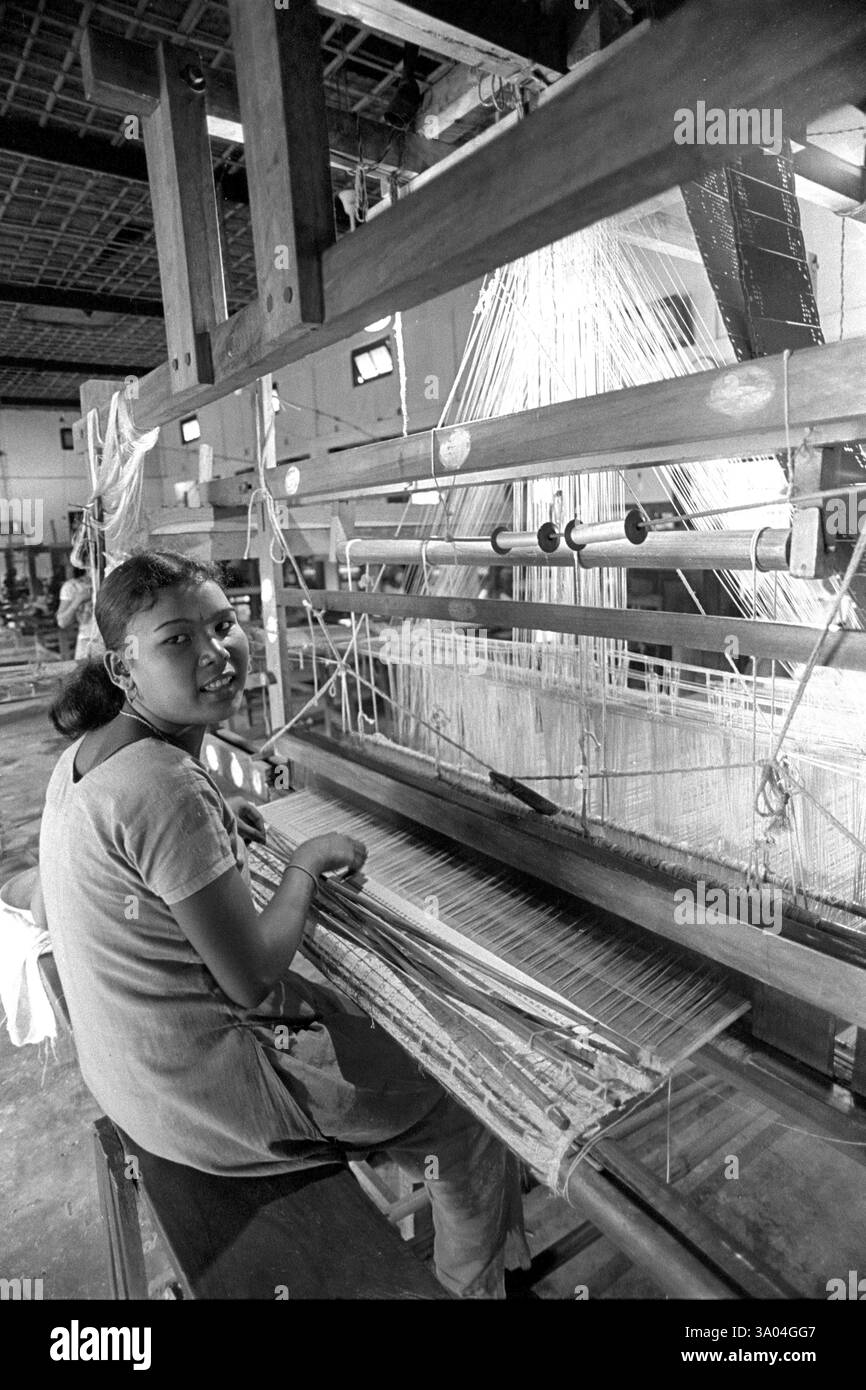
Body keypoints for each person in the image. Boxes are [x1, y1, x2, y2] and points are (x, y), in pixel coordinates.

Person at [34, 549, 527, 1298]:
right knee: (476, 1107)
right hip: (208, 1110)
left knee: (376, 1035)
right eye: (177, 640)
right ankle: (471, 1288)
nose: (215, 653)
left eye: (225, 625)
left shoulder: (88, 758)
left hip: (134, 1079)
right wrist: (305, 863)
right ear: (122, 667)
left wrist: (215, 827)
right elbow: (251, 973)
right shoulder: (163, 783)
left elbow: (142, 857)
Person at [56, 562, 101, 660]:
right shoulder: (73, 587)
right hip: (88, 641)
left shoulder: (112, 582)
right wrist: (78, 600)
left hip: (114, 639)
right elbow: (62, 622)